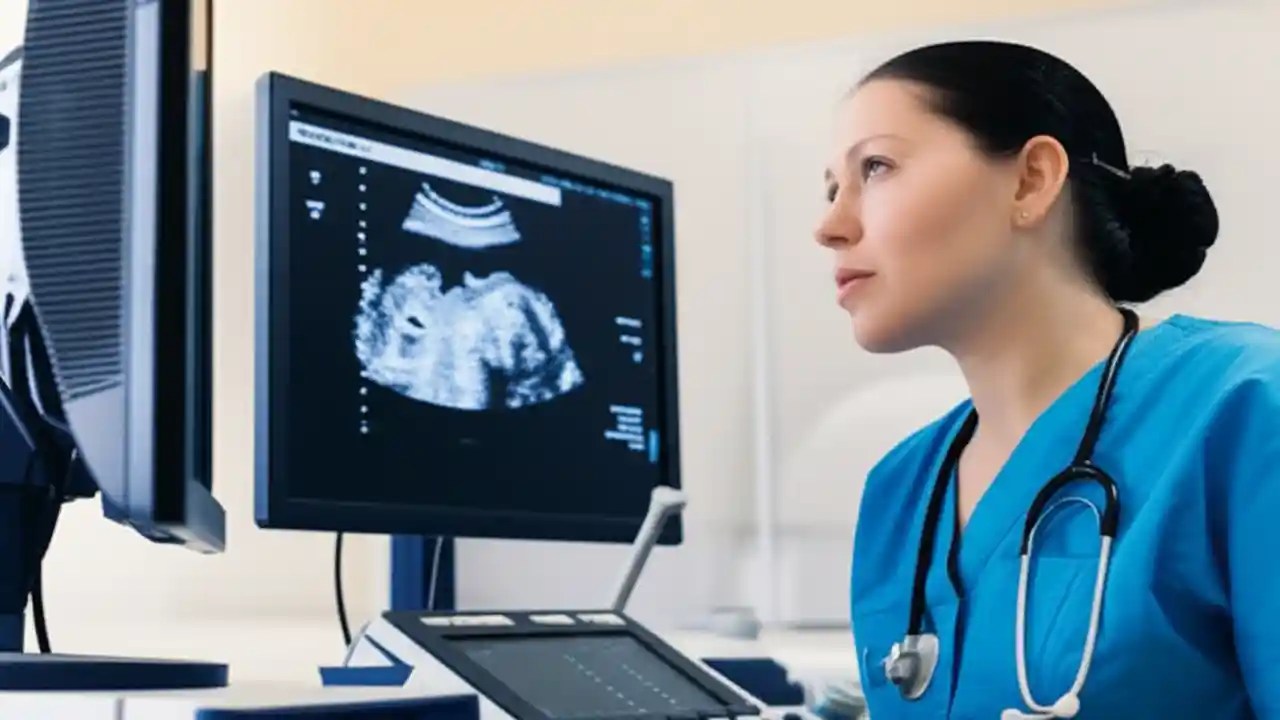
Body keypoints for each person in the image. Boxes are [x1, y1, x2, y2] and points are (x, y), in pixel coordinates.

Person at [816, 40, 1280, 718]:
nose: (829, 226)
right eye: (832, 189)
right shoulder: (901, 490)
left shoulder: (1247, 407)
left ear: (1031, 180)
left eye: (877, 168)